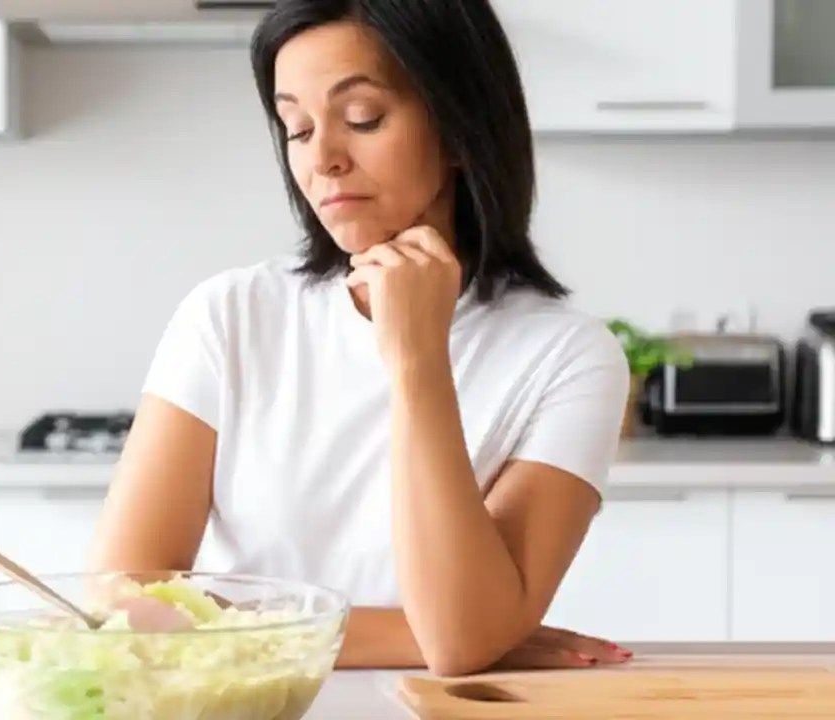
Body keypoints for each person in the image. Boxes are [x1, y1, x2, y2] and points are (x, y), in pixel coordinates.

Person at [88, 0, 633, 677]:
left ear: (462, 128)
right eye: (297, 128)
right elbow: (120, 603)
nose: (323, 160)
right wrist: (426, 632)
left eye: (363, 119)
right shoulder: (229, 315)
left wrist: (416, 360)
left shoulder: (570, 358)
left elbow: (459, 643)